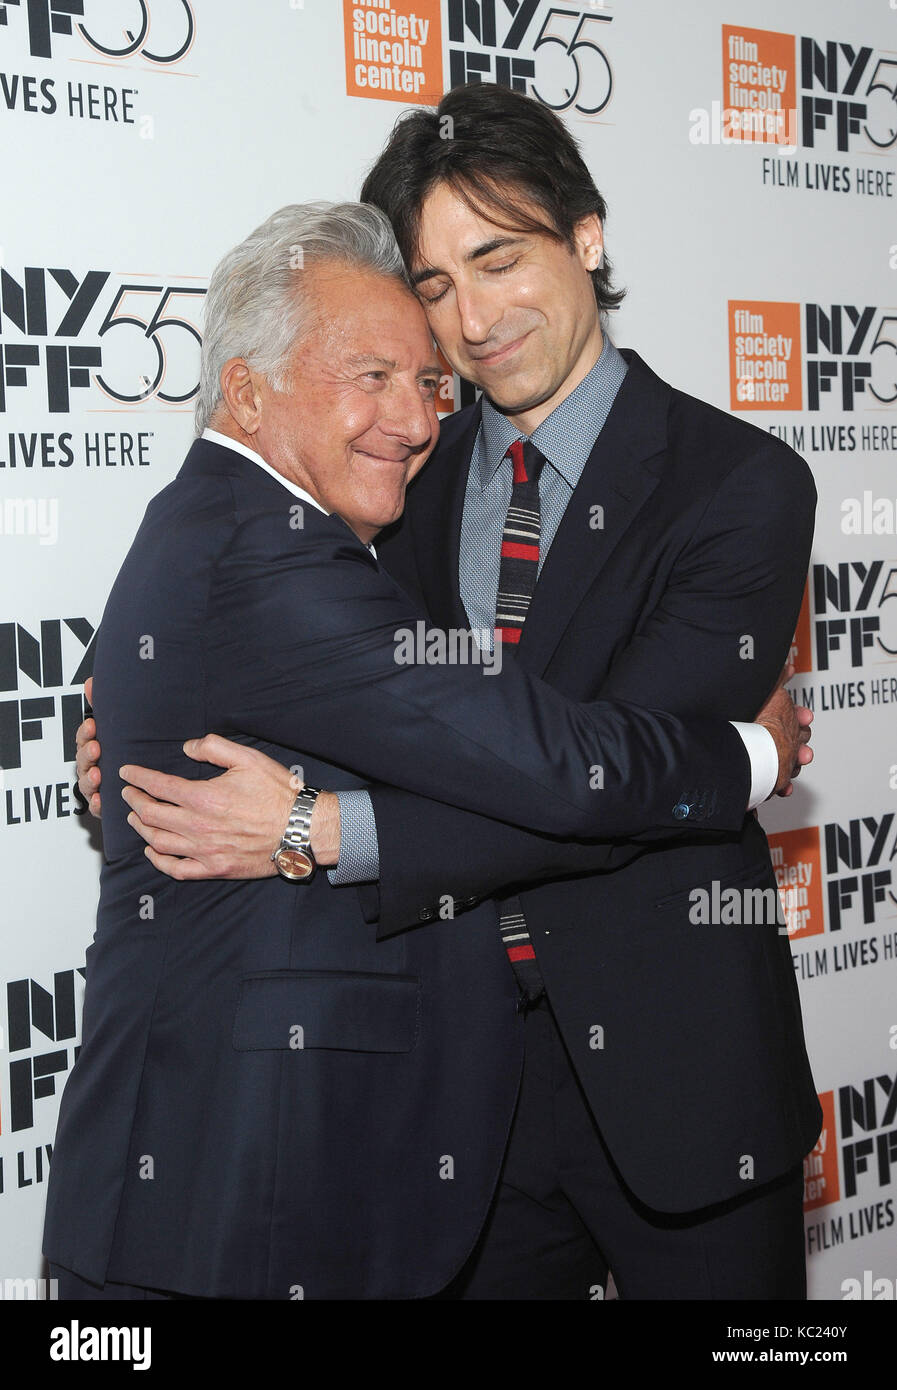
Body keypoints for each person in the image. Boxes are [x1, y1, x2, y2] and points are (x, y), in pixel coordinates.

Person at [44, 200, 805, 1302]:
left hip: (643, 1083)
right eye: (377, 376)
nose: (414, 415)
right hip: (229, 1196)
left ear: (587, 239)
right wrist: (750, 761)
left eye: (424, 380)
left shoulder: (264, 521)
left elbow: (489, 753)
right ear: (247, 390)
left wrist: (314, 825)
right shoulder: (279, 547)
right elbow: (543, 759)